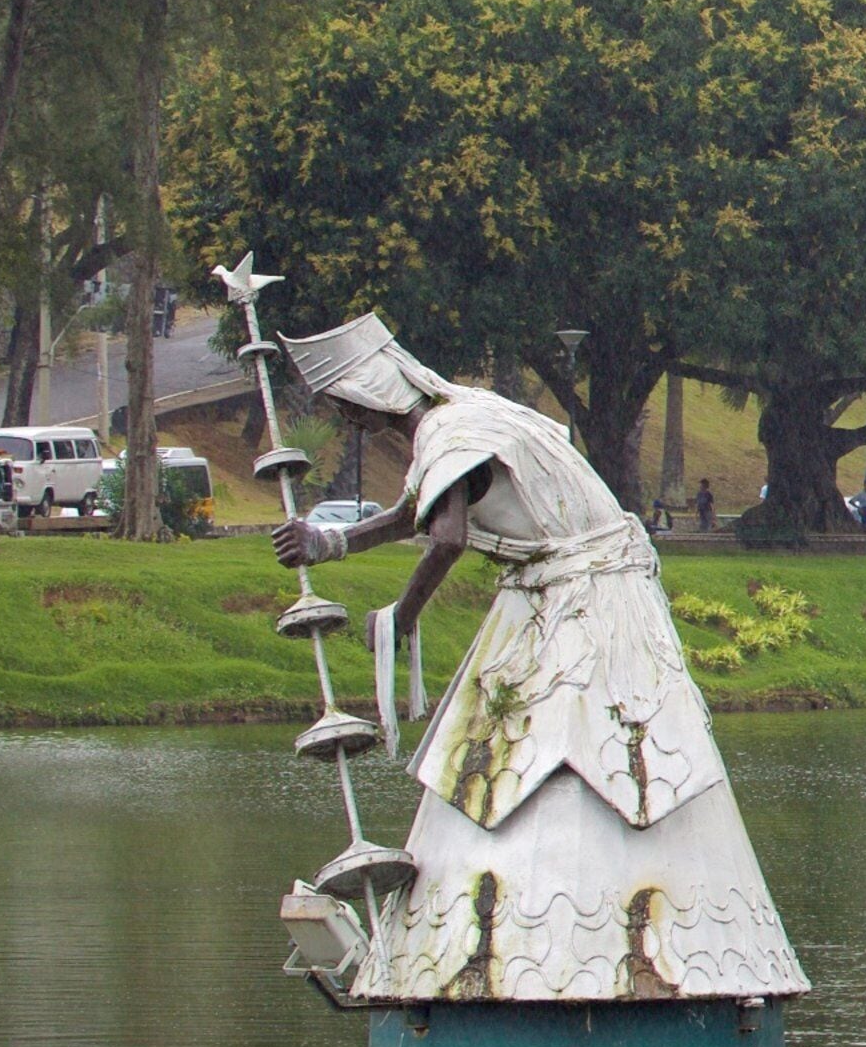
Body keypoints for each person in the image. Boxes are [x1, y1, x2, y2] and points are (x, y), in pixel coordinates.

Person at [267, 312, 804, 1011]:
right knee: (518, 757)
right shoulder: (463, 419)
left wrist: (402, 616)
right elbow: (419, 511)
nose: (346, 421)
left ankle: (606, 957)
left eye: (344, 408)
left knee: (602, 756)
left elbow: (448, 535)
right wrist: (329, 544)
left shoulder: (454, 430)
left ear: (369, 400)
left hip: (584, 601)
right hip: (559, 596)